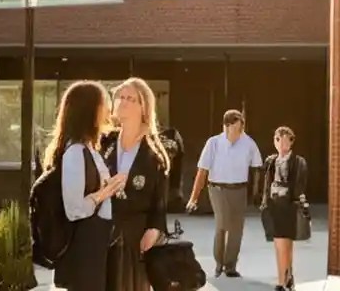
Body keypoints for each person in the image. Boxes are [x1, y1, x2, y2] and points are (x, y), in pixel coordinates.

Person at [42, 81, 124, 291]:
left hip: (94, 243)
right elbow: (74, 209)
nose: (109, 108)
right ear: (89, 110)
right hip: (83, 247)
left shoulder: (89, 148)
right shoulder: (75, 152)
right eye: (104, 103)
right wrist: (104, 193)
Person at [102, 77, 171, 291]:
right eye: (120, 97)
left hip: (137, 237)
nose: (122, 102)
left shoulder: (154, 152)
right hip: (105, 233)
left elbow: (160, 199)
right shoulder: (106, 143)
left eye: (130, 98)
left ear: (144, 107)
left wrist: (155, 228)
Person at [186, 109, 263, 278]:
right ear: (227, 126)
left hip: (239, 189)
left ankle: (230, 266)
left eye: (241, 128)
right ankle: (218, 262)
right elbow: (202, 172)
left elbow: (257, 167)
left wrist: (257, 192)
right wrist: (194, 198)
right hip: (218, 189)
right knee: (223, 224)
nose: (239, 132)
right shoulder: (213, 143)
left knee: (237, 228)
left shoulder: (248, 143)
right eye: (235, 128)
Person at [260, 126, 309, 291]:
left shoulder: (298, 161)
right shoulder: (270, 161)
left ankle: (283, 281)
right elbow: (266, 184)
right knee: (279, 245)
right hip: (274, 206)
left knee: (285, 246)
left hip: (288, 206)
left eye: (285, 140)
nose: (281, 144)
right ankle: (285, 279)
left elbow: (300, 185)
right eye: (277, 140)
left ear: (291, 141)